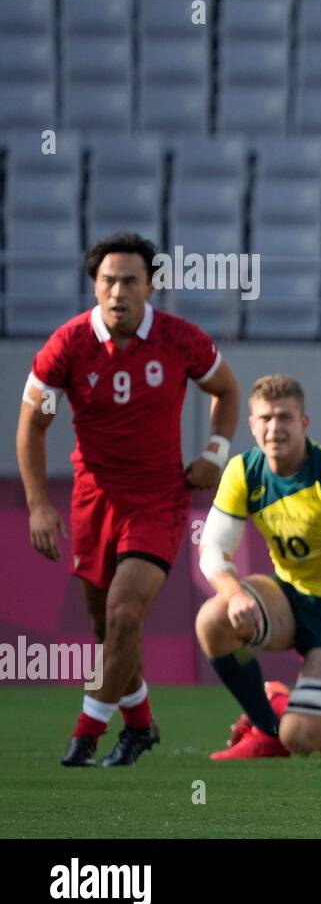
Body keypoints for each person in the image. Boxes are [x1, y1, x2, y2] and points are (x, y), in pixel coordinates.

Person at [17, 232, 240, 767]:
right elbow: (32, 425)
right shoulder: (66, 345)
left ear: (151, 285)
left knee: (122, 613)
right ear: (94, 286)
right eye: (108, 281)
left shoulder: (180, 339)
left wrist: (215, 451)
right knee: (108, 627)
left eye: (130, 281)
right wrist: (38, 505)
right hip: (92, 498)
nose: (118, 292)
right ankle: (140, 725)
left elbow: (228, 390)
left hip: (158, 498)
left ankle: (86, 733)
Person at [195, 375, 321, 760]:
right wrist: (233, 595)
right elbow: (213, 549)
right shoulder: (243, 470)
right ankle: (266, 729)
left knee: (302, 737)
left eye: (284, 417)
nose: (274, 428)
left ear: (304, 423)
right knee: (213, 620)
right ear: (251, 424)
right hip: (287, 596)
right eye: (265, 418)